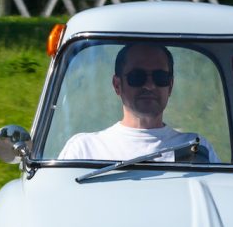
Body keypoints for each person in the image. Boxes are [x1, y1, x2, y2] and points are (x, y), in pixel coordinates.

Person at [58, 42, 218, 162]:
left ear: (170, 86)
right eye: (137, 77)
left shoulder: (197, 149)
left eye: (160, 77)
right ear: (117, 85)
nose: (149, 85)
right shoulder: (84, 150)